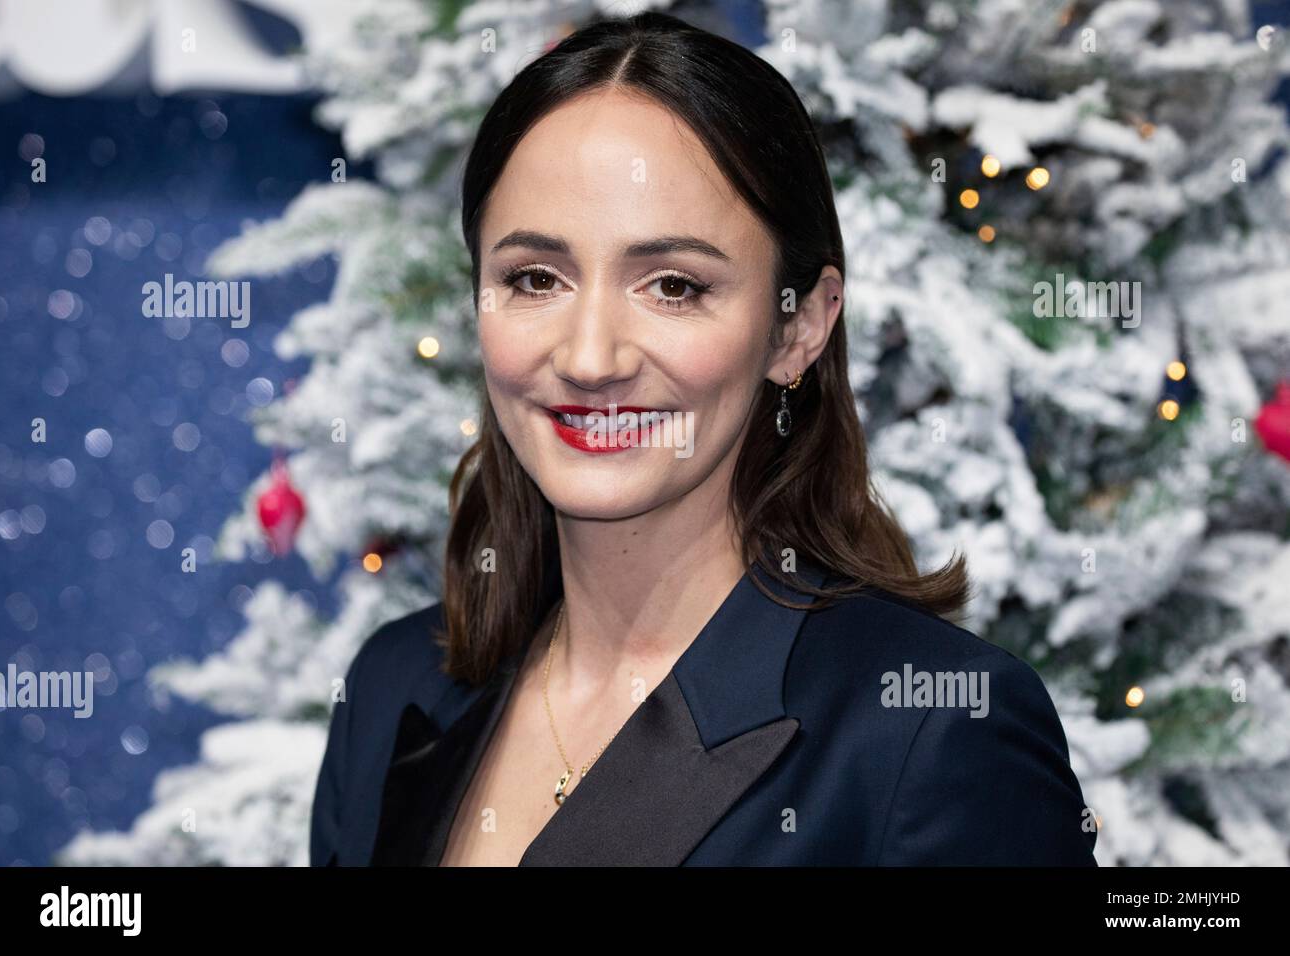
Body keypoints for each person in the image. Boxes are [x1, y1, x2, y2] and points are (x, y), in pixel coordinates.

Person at [309, 10, 1098, 867]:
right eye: (534, 278)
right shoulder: (392, 690)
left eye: (674, 286)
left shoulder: (934, 731)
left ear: (798, 329)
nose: (589, 356)